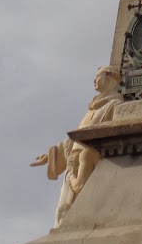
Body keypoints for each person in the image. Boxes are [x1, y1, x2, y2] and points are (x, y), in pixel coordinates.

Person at [31, 65, 122, 226]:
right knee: (63, 212)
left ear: (111, 77)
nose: (94, 80)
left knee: (74, 212)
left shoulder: (114, 105)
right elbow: (75, 141)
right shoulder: (94, 108)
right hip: (74, 164)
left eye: (98, 75)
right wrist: (51, 156)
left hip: (89, 164)